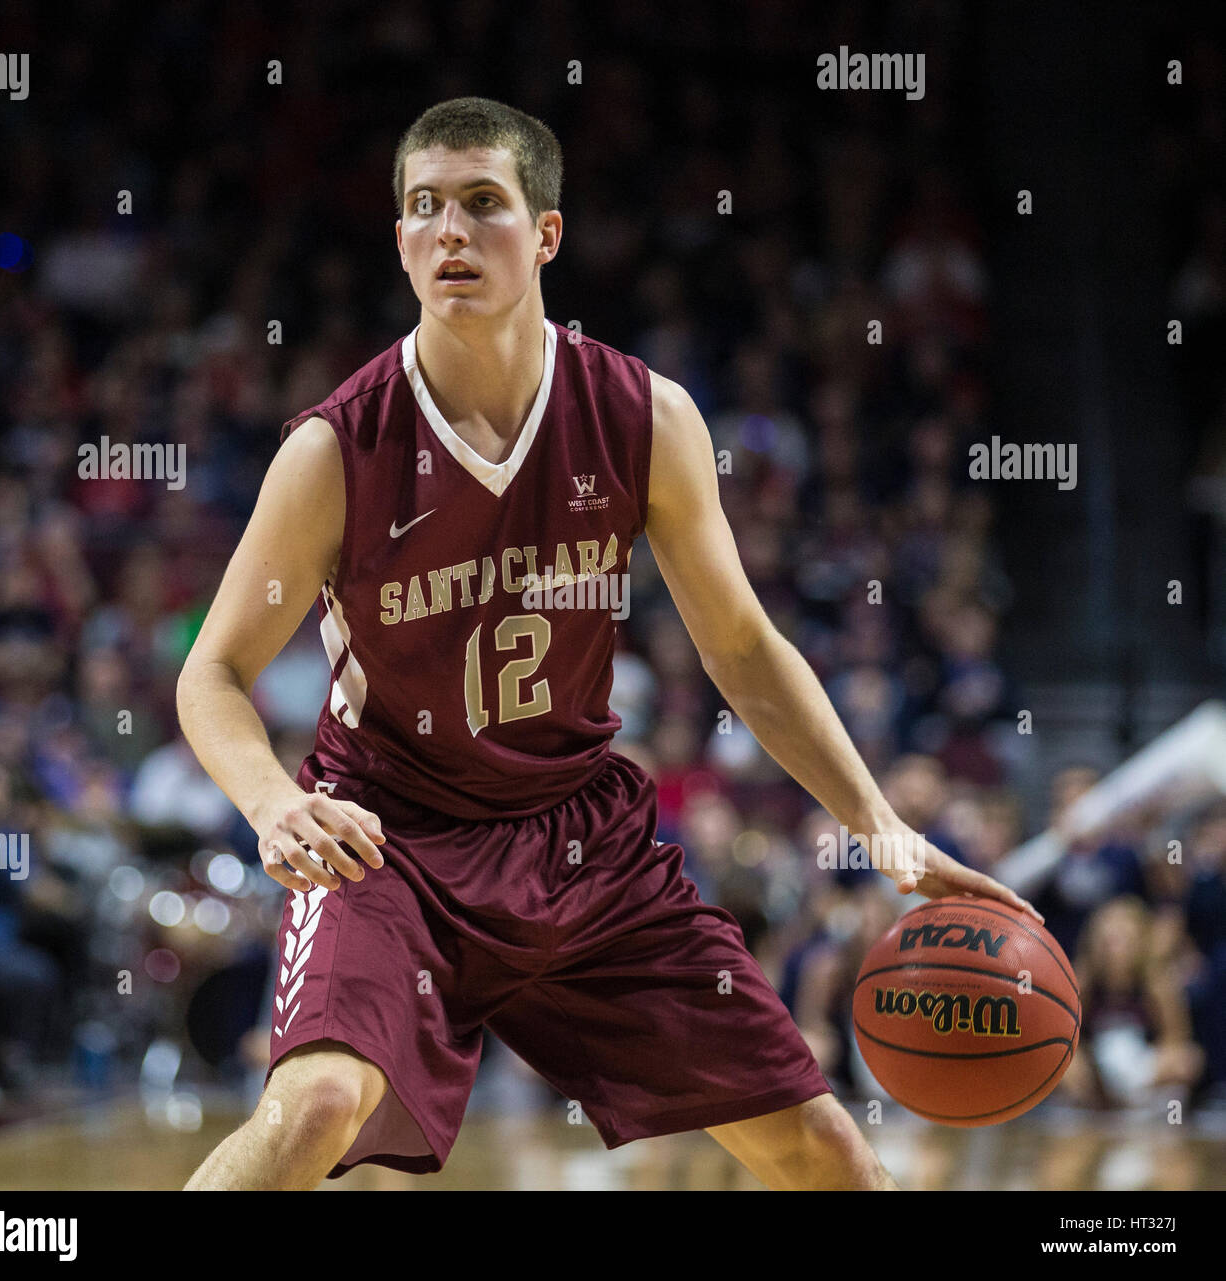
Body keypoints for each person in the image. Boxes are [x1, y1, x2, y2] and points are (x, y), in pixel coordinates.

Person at [176, 97, 1039, 1191]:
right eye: (424, 208)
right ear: (398, 241)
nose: (450, 231)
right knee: (314, 1108)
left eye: (482, 203)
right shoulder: (335, 450)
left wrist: (878, 824)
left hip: (580, 842)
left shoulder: (644, 416)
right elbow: (212, 670)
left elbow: (742, 648)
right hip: (390, 841)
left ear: (547, 232)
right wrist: (272, 803)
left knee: (826, 1153)